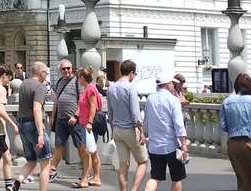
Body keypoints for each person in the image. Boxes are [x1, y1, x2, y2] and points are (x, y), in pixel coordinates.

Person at [107, 60, 148, 191]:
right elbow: (135, 113)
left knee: (123, 164)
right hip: (130, 129)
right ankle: (134, 189)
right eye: (134, 74)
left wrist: (113, 129)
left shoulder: (111, 88)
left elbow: (110, 112)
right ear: (131, 73)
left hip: (117, 130)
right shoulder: (130, 87)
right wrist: (141, 132)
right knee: (143, 161)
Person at [143, 76, 188, 191]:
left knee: (155, 178)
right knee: (176, 178)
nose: (174, 85)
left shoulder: (150, 99)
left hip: (155, 146)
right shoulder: (173, 100)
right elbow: (179, 124)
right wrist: (183, 145)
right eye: (172, 83)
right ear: (168, 84)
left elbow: (146, 121)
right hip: (172, 146)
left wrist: (145, 136)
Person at [13, 62, 51, 191]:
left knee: (31, 160)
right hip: (33, 126)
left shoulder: (24, 84)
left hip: (22, 124)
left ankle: (16, 183)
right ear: (41, 73)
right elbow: (36, 109)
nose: (46, 75)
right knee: (45, 161)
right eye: (46, 73)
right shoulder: (40, 87)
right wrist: (40, 133)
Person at [48, 60, 83, 183]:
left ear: (72, 68)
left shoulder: (77, 81)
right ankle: (52, 170)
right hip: (60, 119)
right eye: (64, 69)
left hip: (74, 120)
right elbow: (56, 101)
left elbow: (82, 101)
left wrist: (76, 116)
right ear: (60, 70)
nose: (66, 70)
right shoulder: (59, 82)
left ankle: (86, 171)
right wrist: (53, 117)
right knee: (58, 145)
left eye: (68, 68)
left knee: (80, 146)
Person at [75, 66, 102, 189]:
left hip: (88, 125)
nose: (77, 80)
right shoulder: (88, 88)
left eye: (78, 77)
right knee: (92, 152)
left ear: (82, 77)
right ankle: (96, 178)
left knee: (87, 152)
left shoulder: (90, 89)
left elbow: (93, 106)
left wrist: (89, 122)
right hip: (85, 124)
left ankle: (85, 179)